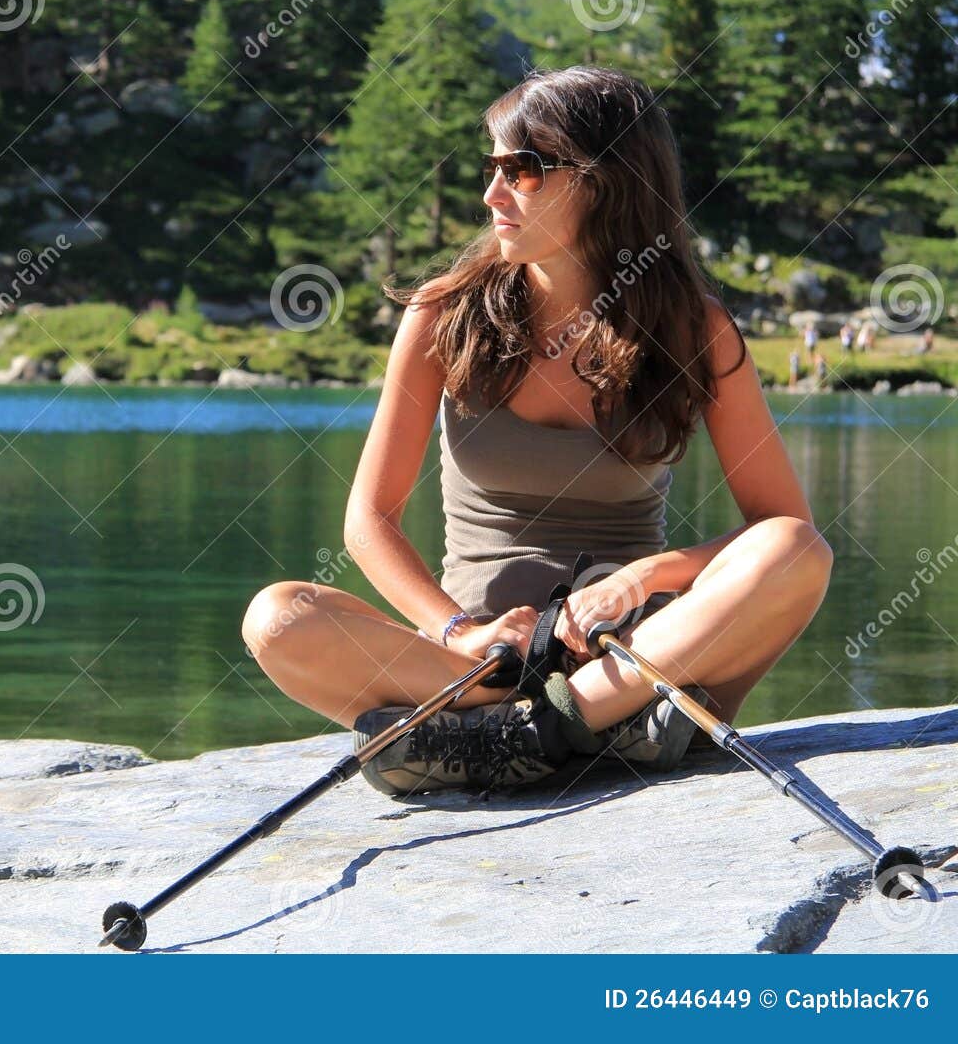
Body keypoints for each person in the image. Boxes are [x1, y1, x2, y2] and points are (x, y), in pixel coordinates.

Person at [241, 66, 832, 796]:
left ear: (602, 180)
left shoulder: (691, 326)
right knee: (277, 618)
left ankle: (543, 726)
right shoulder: (441, 317)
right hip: (474, 669)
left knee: (797, 550)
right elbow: (368, 521)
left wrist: (642, 577)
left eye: (521, 169)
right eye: (490, 168)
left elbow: (781, 525)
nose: (492, 194)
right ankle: (546, 727)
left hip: (637, 655)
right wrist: (461, 632)